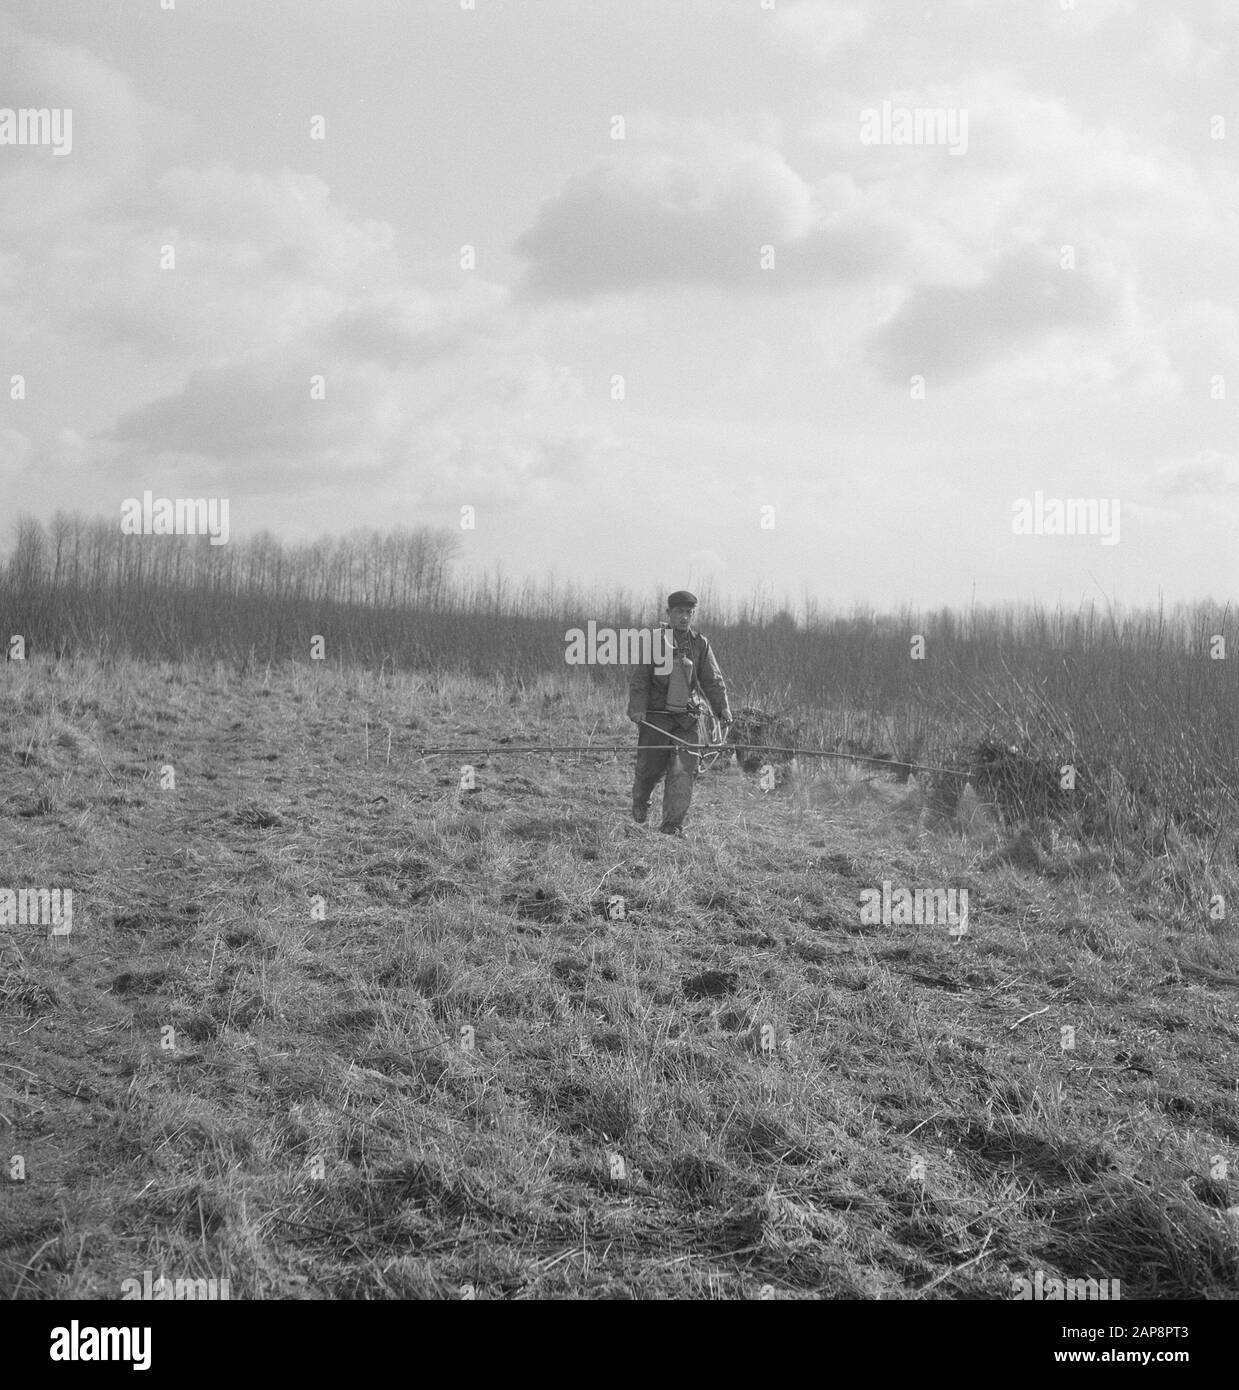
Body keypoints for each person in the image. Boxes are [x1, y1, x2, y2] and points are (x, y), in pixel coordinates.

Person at [628, 591, 732, 836]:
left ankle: (671, 825)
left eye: (689, 613)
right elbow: (640, 678)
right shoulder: (653, 641)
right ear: (668, 614)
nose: (684, 618)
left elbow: (712, 680)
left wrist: (722, 708)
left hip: (688, 718)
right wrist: (637, 708)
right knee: (649, 769)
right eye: (679, 612)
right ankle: (641, 800)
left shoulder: (700, 644)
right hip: (655, 716)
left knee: (683, 771)